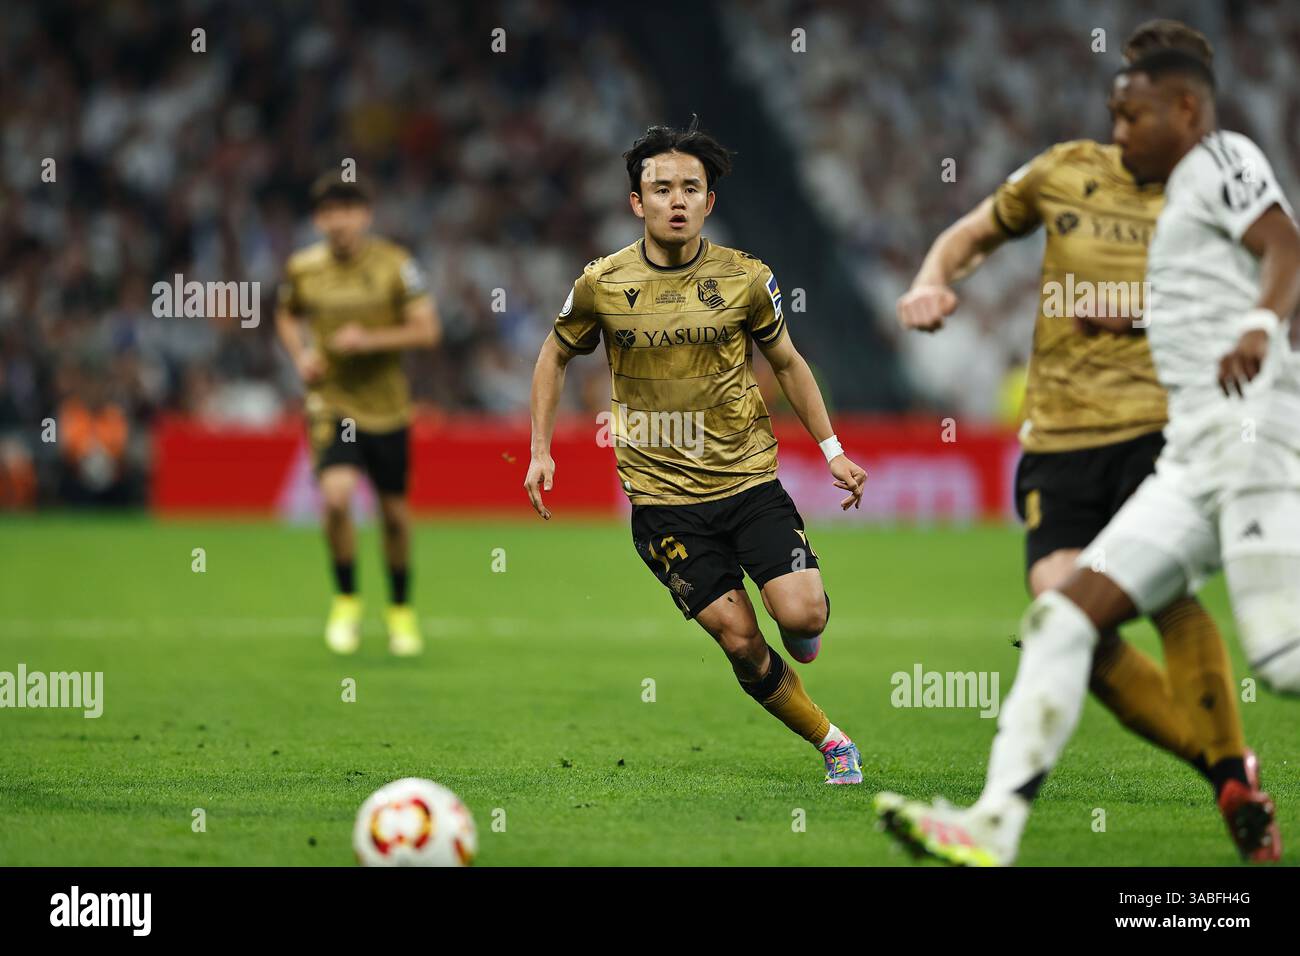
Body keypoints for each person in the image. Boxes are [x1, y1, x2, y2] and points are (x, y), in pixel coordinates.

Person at [877, 48, 1297, 865]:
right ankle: (1206, 777)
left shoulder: (1214, 173)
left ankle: (1223, 772)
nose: (1116, 129)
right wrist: (933, 277)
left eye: (1132, 113)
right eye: (1114, 114)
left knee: (1229, 633)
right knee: (1063, 615)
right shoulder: (1068, 171)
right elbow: (974, 233)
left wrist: (1250, 329)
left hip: (1174, 429)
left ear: (1182, 109)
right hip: (1066, 437)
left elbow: (1274, 259)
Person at [524, 119, 870, 783]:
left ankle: (802, 626)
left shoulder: (746, 279)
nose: (676, 199)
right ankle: (831, 740)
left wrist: (831, 449)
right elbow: (553, 354)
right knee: (741, 642)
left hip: (747, 483)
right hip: (664, 505)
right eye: (661, 188)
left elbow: (790, 364)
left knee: (803, 614)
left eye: (691, 187)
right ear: (637, 202)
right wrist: (541, 450)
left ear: (710, 202)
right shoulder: (602, 283)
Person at [276, 176, 441, 655]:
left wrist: (368, 340)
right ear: (318, 219)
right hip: (332, 401)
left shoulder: (396, 265)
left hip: (387, 406)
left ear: (364, 215)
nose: (339, 220)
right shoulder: (303, 268)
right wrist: (301, 355)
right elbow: (286, 314)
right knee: (335, 496)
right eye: (330, 212)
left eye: (348, 210)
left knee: (393, 515)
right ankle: (347, 601)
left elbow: (428, 330)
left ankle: (400, 611)